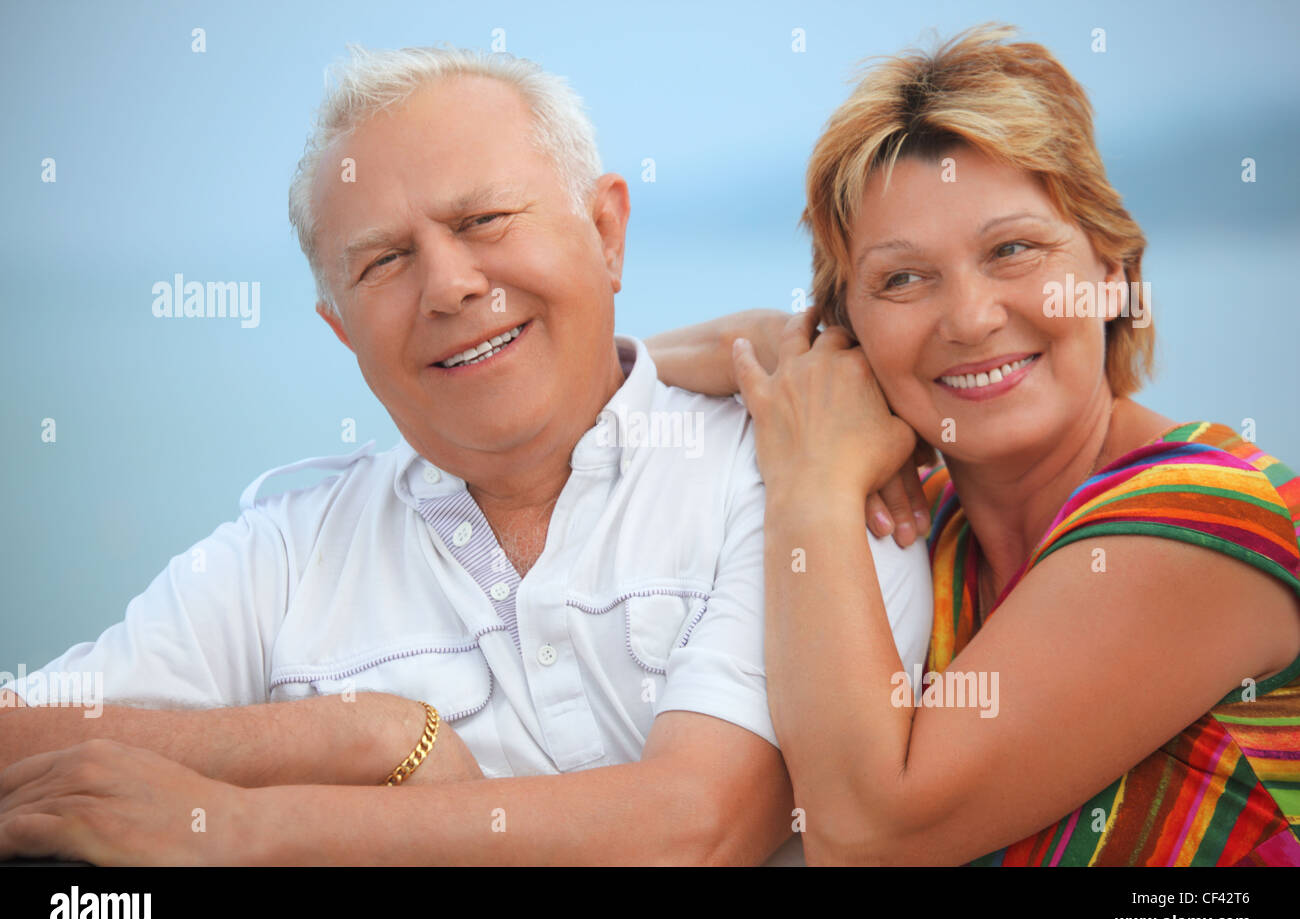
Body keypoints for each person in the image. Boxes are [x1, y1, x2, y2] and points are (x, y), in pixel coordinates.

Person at [0, 45, 934, 866]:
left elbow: (693, 830)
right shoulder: (287, 551)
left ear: (606, 232)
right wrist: (359, 734)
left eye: (484, 220)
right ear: (341, 331)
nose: (448, 285)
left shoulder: (792, 479)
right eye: (382, 263)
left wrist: (240, 824)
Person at [647, 24, 1300, 865]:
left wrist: (809, 483)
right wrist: (785, 349)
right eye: (903, 279)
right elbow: (587, 392)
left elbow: (868, 833)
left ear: (1115, 275)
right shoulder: (934, 527)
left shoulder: (1208, 514)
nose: (970, 318)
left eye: (1014, 250)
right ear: (851, 329)